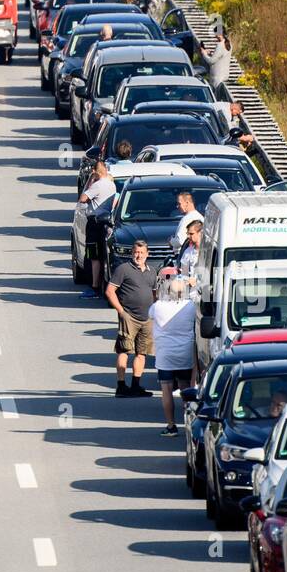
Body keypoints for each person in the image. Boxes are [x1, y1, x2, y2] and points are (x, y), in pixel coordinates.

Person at [105, 240, 157, 398]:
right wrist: (121, 311)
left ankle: (136, 385)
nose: (138, 255)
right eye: (136, 252)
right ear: (131, 253)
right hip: (128, 316)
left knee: (142, 353)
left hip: (147, 318)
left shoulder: (152, 271)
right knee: (124, 350)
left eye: (142, 252)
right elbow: (110, 291)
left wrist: (155, 312)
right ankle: (121, 386)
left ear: (147, 254)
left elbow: (154, 294)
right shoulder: (123, 269)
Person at [149, 276, 197, 437]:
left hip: (165, 354)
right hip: (185, 353)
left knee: (166, 390)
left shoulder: (158, 307)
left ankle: (171, 425)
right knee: (186, 389)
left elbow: (150, 315)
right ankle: (189, 423)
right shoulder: (190, 306)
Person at [78, 161, 117, 298]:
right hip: (105, 222)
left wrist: (91, 179)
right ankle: (101, 284)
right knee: (102, 256)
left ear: (96, 171)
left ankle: (94, 287)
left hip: (94, 223)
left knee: (93, 256)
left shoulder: (97, 185)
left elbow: (82, 198)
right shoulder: (111, 184)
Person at [179, 219, 202, 283]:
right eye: (188, 234)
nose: (188, 236)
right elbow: (183, 274)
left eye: (191, 234)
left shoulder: (209, 251)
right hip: (191, 291)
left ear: (200, 233)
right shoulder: (187, 251)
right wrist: (188, 280)